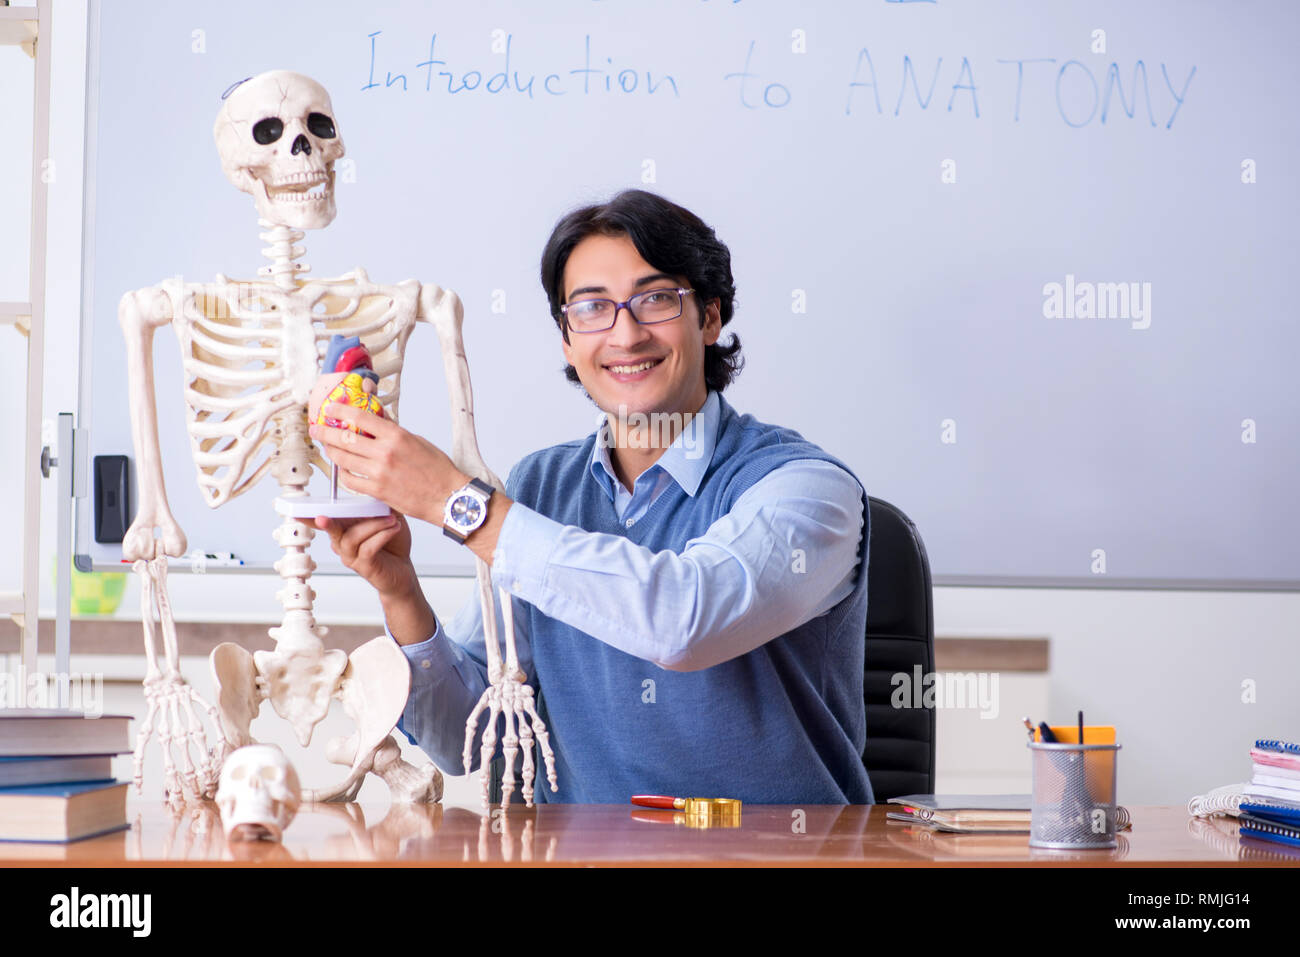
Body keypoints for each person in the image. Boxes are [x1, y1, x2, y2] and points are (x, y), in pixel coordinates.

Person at [311, 190, 874, 804]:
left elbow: (684, 621)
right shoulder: (539, 489)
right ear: (566, 339)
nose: (625, 335)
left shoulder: (809, 489)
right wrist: (401, 593)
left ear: (710, 317)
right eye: (592, 309)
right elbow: (464, 743)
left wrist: (457, 502)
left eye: (656, 299)